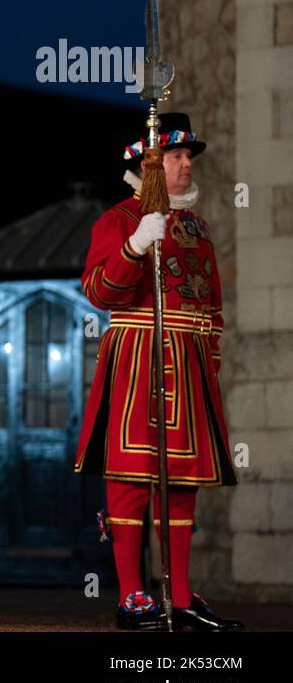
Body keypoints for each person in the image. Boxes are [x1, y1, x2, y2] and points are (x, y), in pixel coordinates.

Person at [75, 112, 241, 631]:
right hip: (139, 355)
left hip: (188, 361)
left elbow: (211, 302)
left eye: (187, 156)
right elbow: (100, 292)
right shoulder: (119, 220)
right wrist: (135, 246)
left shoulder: (196, 226)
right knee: (131, 474)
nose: (186, 164)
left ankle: (182, 596)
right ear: (149, 165)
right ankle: (132, 596)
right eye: (176, 156)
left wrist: (210, 358)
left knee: (183, 480)